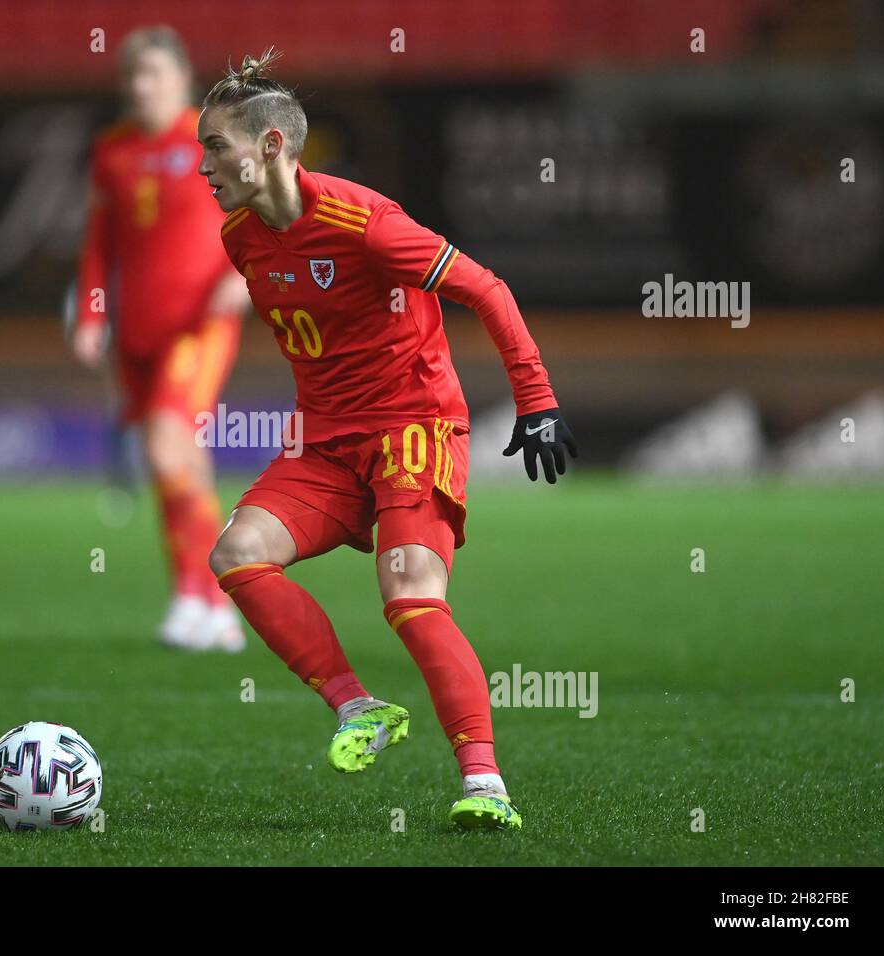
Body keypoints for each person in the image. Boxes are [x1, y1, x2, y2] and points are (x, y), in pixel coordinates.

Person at [198, 49, 578, 829]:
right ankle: (357, 707)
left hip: (413, 428)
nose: (202, 163)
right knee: (235, 555)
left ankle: (484, 784)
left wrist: (536, 401)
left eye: (214, 146)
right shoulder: (241, 238)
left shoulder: (365, 223)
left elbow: (486, 288)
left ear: (271, 145)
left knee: (409, 593)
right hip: (326, 444)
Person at [74, 26, 251, 652]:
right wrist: (93, 315)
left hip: (199, 326)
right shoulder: (112, 150)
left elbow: (262, 209)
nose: (141, 86)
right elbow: (99, 244)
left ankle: (191, 595)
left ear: (181, 78)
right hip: (137, 332)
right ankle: (218, 606)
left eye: (154, 73)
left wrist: (242, 275)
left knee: (165, 446)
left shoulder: (215, 139)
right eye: (132, 75)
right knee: (177, 464)